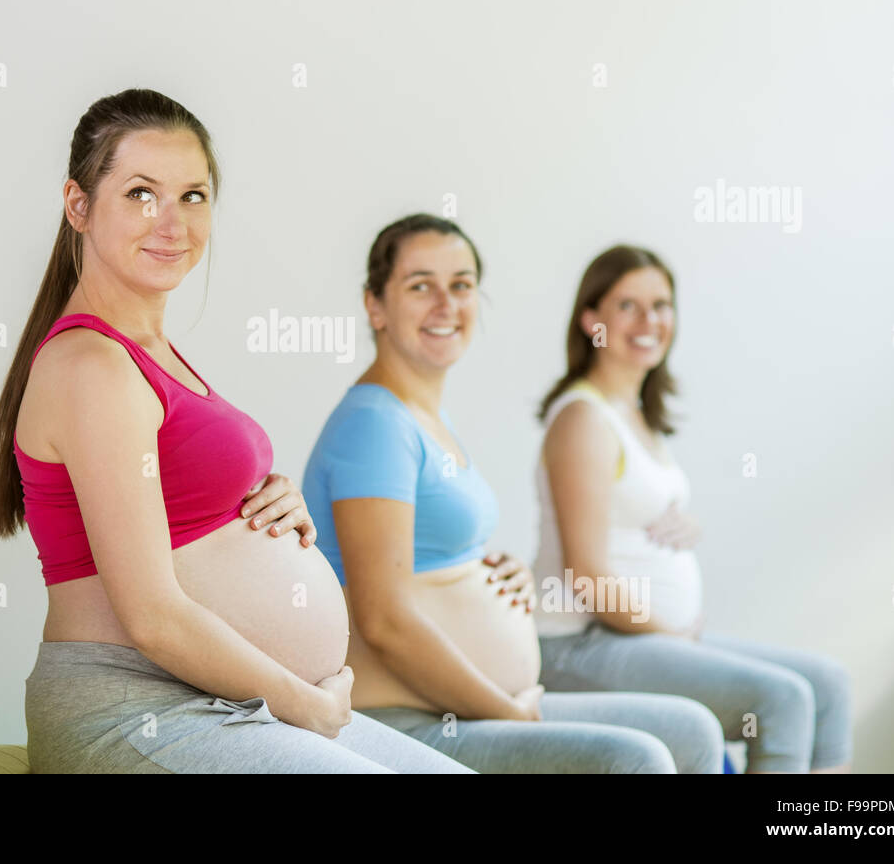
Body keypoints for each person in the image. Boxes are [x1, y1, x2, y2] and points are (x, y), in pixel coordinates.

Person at [0, 89, 471, 773]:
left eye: (194, 195)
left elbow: (188, 517)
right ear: (79, 205)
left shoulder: (150, 353)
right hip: (132, 710)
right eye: (141, 193)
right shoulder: (90, 366)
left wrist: (272, 505)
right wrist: (303, 702)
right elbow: (151, 615)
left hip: (219, 699)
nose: (172, 221)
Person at [301, 214, 726, 773]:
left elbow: (429, 562)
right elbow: (384, 619)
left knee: (693, 731)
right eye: (420, 285)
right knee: (636, 760)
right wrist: (506, 710)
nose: (446, 304)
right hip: (409, 716)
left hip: (476, 701)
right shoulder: (375, 425)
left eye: (461, 285)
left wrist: (494, 574)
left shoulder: (426, 416)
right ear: (375, 305)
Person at [532, 244, 853, 773]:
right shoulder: (583, 419)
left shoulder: (636, 415)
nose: (649, 320)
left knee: (830, 686)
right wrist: (671, 631)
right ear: (591, 320)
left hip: (642, 635)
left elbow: (630, 513)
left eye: (660, 305)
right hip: (580, 644)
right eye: (627, 305)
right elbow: (585, 574)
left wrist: (684, 523)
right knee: (783, 700)